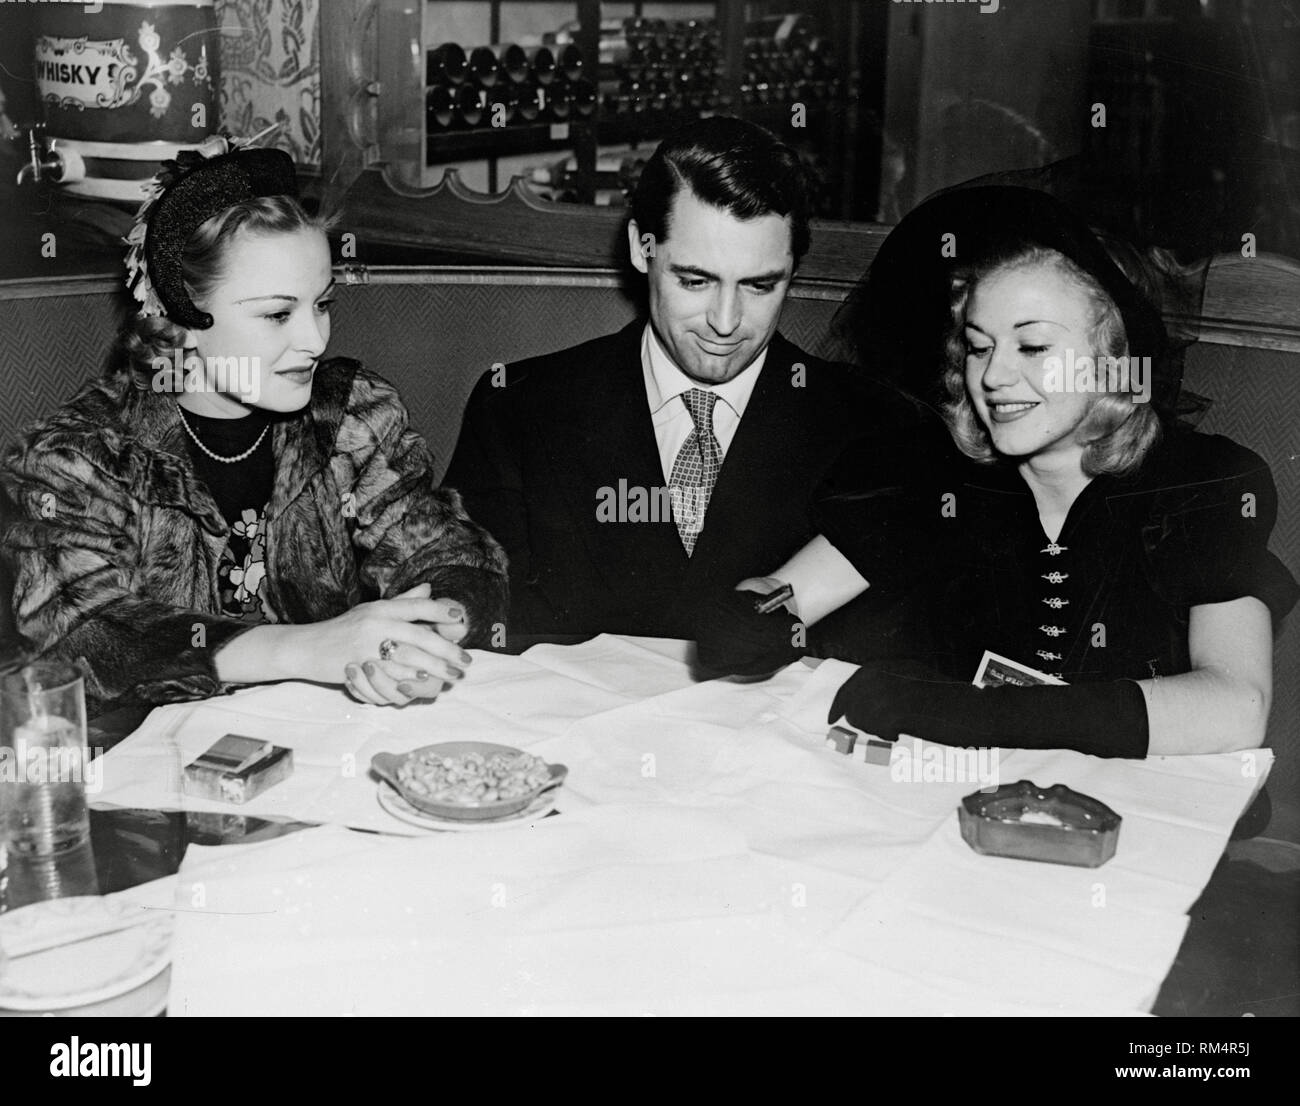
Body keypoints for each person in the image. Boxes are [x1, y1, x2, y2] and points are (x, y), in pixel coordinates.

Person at [697, 186, 1298, 757]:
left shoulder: (1202, 485)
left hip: (1141, 821)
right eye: (981, 347)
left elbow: (1236, 707)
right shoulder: (928, 474)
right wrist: (749, 617)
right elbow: (787, 597)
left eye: (1032, 347)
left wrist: (963, 715)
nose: (993, 377)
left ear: (1112, 355)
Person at [0, 137, 508, 713]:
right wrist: (309, 650)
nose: (315, 341)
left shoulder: (348, 414)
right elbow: (83, 630)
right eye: (277, 314)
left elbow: (447, 552)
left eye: (322, 304)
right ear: (181, 316)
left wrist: (429, 633)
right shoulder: (84, 456)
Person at [444, 116, 938, 645]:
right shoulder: (519, 407)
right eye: (695, 280)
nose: (725, 322)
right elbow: (476, 613)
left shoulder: (879, 427)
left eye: (760, 285)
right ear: (642, 248)